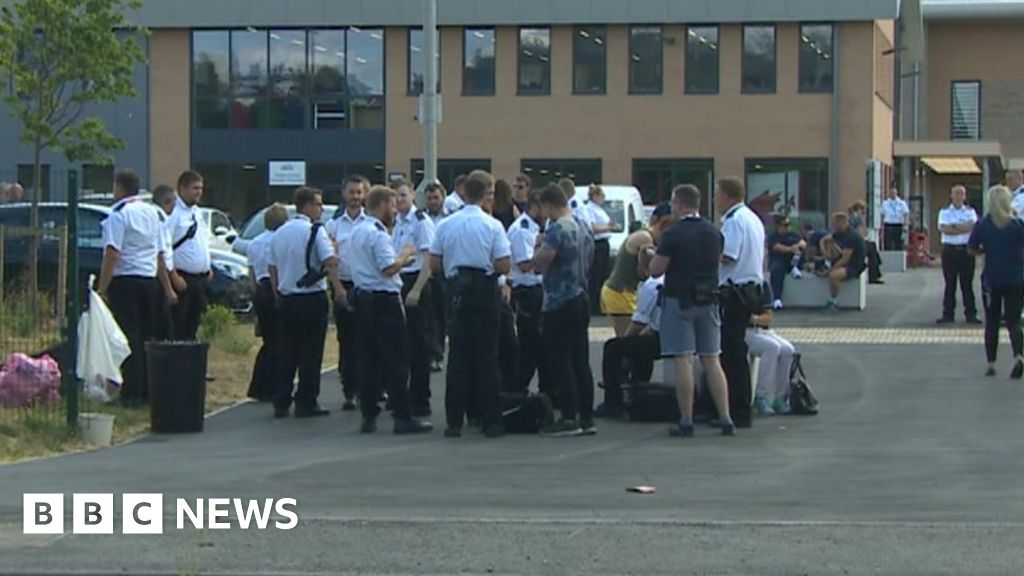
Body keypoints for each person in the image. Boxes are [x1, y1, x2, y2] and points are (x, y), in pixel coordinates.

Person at [429, 170, 511, 438]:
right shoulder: (492, 225)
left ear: (463, 192)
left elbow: (434, 263)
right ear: (485, 194)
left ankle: (454, 420)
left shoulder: (446, 224)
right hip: (484, 289)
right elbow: (504, 263)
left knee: (458, 358)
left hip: (457, 289)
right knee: (487, 358)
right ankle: (490, 420)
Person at [649, 184, 735, 437]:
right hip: (709, 299)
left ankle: (686, 419)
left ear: (678, 203)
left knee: (683, 359)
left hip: (680, 299)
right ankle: (725, 417)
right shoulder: (714, 232)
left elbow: (656, 269)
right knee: (712, 358)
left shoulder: (673, 234)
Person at [349, 186, 434, 434]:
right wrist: (405, 255)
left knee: (369, 359)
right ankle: (402, 415)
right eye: (393, 205)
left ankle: (368, 414)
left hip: (363, 297)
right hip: (384, 301)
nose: (395, 211)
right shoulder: (378, 234)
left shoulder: (357, 231)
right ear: (383, 205)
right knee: (396, 360)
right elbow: (388, 268)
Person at [97, 170, 175, 407]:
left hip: (126, 281)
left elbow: (112, 253)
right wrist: (166, 286)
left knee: (129, 336)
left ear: (119, 187)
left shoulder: (118, 215)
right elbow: (159, 254)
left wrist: (102, 288)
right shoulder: (153, 213)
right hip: (149, 281)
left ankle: (132, 392)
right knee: (148, 336)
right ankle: (149, 390)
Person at [268, 187, 346, 418]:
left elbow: (272, 267)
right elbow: (330, 261)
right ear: (308, 206)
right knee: (311, 352)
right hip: (311, 296)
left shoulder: (280, 233)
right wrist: (338, 288)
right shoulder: (315, 230)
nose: (321, 209)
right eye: (318, 204)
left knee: (287, 351)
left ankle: (281, 399)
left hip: (287, 297)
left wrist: (277, 293)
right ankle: (306, 400)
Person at [533, 184, 596, 437]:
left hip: (559, 300)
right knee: (581, 359)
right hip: (581, 295)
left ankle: (569, 416)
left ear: (549, 205)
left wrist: (538, 247)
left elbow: (541, 263)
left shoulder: (557, 229)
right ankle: (587, 416)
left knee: (561, 360)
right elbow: (590, 258)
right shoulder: (583, 226)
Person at [716, 177, 764, 430]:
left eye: (717, 195)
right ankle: (739, 407)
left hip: (734, 291)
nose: (715, 200)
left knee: (731, 352)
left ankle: (737, 408)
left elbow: (728, 255)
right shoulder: (752, 218)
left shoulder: (734, 221)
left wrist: (707, 251)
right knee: (736, 349)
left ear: (726, 196)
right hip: (750, 288)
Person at [391, 179, 437, 417]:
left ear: (412, 196)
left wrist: (417, 289)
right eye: (395, 196)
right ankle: (404, 395)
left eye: (403, 195)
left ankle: (421, 399)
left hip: (416, 281)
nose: (399, 199)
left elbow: (429, 258)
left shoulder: (421, 222)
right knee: (402, 344)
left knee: (419, 346)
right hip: (399, 281)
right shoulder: (397, 222)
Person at [969, 185, 1024, 378]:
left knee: (991, 322)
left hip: (992, 279)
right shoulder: (1018, 225)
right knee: (1014, 320)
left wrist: (986, 250)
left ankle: (991, 363)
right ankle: (1018, 355)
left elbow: (972, 248)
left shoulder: (983, 224)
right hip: (1016, 277)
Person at [325, 175, 368, 410]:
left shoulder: (370, 223)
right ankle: (349, 390)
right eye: (352, 192)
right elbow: (329, 260)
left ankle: (368, 389)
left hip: (366, 287)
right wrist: (338, 289)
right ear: (344, 194)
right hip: (343, 285)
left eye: (359, 192)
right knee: (347, 340)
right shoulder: (334, 226)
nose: (355, 197)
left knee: (367, 339)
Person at [595, 273, 664, 419]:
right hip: (683, 339)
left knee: (612, 347)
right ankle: (640, 391)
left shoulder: (652, 285)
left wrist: (625, 338)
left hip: (662, 340)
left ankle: (613, 403)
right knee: (640, 345)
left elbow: (640, 321)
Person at [601, 203, 672, 336]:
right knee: (628, 337)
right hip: (619, 291)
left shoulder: (646, 235)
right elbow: (646, 271)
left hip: (624, 291)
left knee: (635, 332)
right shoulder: (645, 238)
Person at [506, 189, 550, 397]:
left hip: (536, 289)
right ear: (536, 207)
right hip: (527, 291)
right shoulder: (522, 229)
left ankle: (545, 388)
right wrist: (547, 255)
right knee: (530, 343)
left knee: (541, 343)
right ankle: (518, 388)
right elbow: (525, 264)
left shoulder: (534, 227)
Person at [246, 204, 288, 402]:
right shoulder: (280, 241)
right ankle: (275, 386)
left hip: (261, 290)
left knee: (268, 340)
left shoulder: (254, 243)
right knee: (280, 341)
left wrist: (255, 296)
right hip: (275, 287)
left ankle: (259, 386)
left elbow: (251, 272)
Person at [167, 170, 212, 341]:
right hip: (182, 278)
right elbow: (164, 248)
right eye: (195, 188)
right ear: (182, 188)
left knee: (193, 325)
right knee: (179, 325)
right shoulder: (174, 213)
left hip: (199, 279)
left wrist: (208, 266)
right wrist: (173, 276)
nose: (199, 192)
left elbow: (202, 241)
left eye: (201, 188)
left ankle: (189, 356)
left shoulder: (197, 212)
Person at [746, 280, 797, 415]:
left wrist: (754, 319)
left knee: (788, 350)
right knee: (771, 347)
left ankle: (780, 397)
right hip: (743, 331)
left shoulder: (762, 285)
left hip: (761, 330)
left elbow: (768, 318)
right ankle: (760, 396)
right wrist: (756, 319)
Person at [937, 184, 980, 324]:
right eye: (956, 193)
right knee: (950, 284)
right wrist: (963, 228)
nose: (959, 196)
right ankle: (948, 314)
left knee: (967, 284)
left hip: (966, 251)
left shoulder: (970, 211)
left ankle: (971, 315)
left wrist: (954, 226)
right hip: (949, 250)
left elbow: (973, 227)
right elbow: (944, 229)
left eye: (961, 193)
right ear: (951, 195)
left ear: (965, 196)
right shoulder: (944, 212)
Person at [422, 181, 447, 370]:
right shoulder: (421, 219)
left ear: (443, 198)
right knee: (430, 314)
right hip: (427, 270)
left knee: (443, 312)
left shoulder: (450, 219)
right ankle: (432, 353)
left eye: (436, 198)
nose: (432, 202)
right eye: (429, 198)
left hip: (445, 269)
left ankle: (439, 351)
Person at [586, 184, 619, 315]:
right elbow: (593, 227)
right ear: (595, 196)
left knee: (602, 275)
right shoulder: (589, 209)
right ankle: (593, 306)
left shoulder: (599, 209)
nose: (603, 199)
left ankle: (599, 304)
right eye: (601, 196)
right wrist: (608, 227)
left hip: (604, 243)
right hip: (597, 243)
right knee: (595, 275)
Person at [150, 184, 177, 340]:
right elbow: (159, 256)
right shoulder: (159, 220)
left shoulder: (160, 218)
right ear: (167, 201)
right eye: (174, 201)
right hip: (159, 278)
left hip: (161, 276)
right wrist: (168, 288)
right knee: (163, 326)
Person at [824, 212, 866, 312]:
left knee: (834, 275)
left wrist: (831, 269)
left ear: (842, 222)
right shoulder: (840, 233)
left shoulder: (852, 236)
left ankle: (833, 301)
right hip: (845, 262)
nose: (833, 226)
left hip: (854, 265)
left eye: (835, 223)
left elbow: (845, 259)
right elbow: (826, 239)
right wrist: (826, 252)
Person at [766, 214, 806, 310]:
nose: (788, 227)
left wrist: (798, 247)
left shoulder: (793, 234)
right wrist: (790, 249)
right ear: (779, 226)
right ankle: (777, 299)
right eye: (785, 225)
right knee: (776, 271)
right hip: (780, 260)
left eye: (789, 224)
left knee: (798, 255)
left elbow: (803, 243)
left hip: (793, 259)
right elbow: (777, 247)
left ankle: (794, 268)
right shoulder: (774, 236)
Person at [848, 201, 883, 284]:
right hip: (856, 245)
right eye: (863, 210)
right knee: (872, 248)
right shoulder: (856, 219)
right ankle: (875, 271)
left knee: (872, 246)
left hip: (856, 242)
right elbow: (861, 232)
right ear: (859, 209)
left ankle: (876, 266)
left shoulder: (853, 218)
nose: (864, 212)